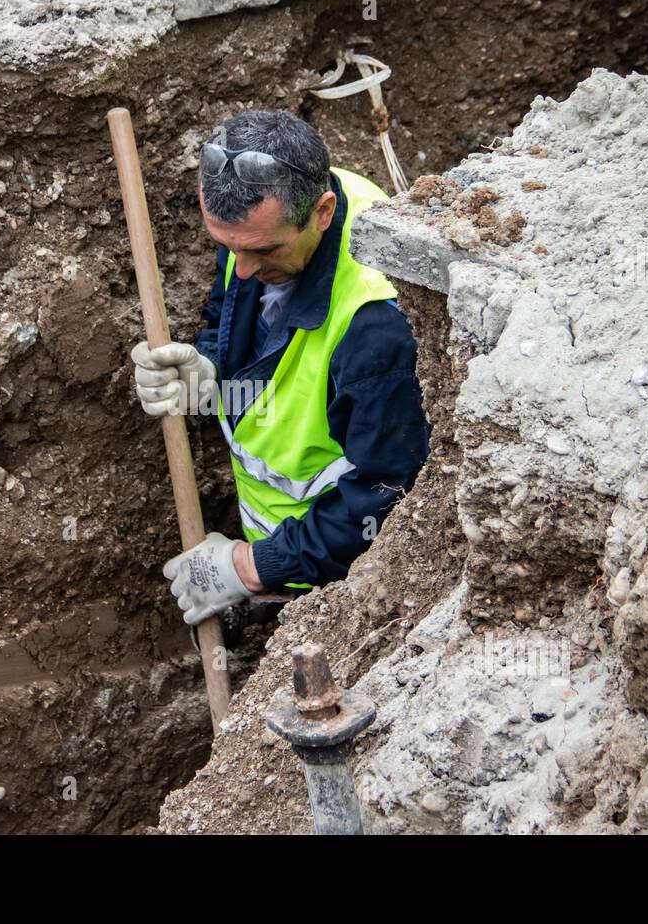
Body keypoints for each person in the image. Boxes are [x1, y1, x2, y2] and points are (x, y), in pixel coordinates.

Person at [131, 109, 429, 632]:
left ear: (323, 210)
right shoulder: (258, 227)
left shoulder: (377, 332)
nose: (241, 270)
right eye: (226, 248)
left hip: (344, 593)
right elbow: (228, 307)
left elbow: (391, 496)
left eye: (260, 252)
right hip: (278, 549)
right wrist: (207, 369)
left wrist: (250, 566)